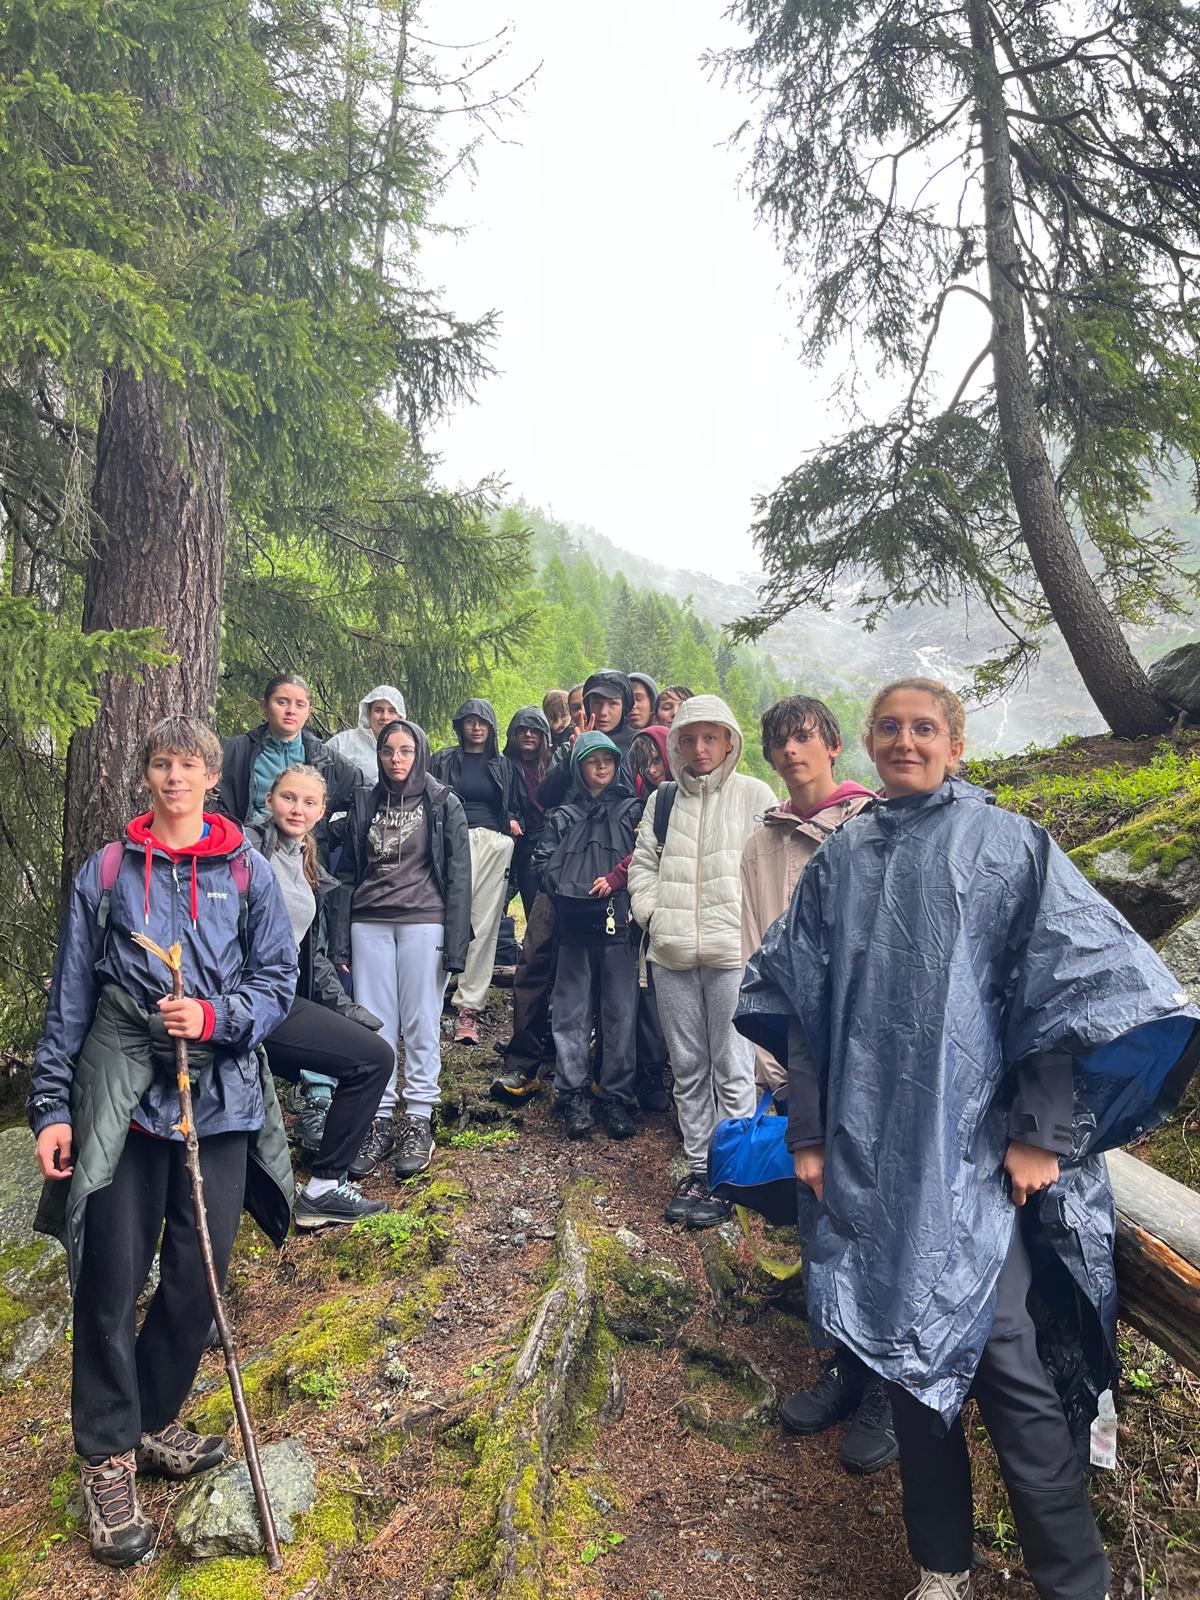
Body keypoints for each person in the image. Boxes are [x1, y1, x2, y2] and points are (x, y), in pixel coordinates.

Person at [737, 677, 1200, 1600]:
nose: (906, 741)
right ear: (868, 742)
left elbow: (1061, 996)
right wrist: (811, 1136)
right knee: (907, 1367)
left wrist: (1040, 1134)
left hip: (978, 1163)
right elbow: (808, 1012)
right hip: (872, 1160)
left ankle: (1075, 1580)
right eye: (892, 728)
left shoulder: (1008, 846)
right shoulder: (842, 859)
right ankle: (942, 1565)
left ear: (953, 743)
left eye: (925, 728)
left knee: (1010, 1368)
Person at [28, 716, 297, 1568]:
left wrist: (216, 1018)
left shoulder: (247, 871)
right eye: (160, 763)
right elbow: (71, 994)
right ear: (146, 775)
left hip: (216, 1100)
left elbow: (277, 980)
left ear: (214, 777)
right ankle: (106, 1457)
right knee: (108, 1277)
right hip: (122, 1099)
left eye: (188, 764)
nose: (174, 777)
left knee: (198, 1276)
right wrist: (51, 1109)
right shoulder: (108, 872)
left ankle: (147, 1415)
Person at [738, 697, 886, 1474]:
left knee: (877, 1221)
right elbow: (752, 943)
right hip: (797, 1062)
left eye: (805, 737)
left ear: (832, 746)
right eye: (779, 740)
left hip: (865, 1060)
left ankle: (887, 1387)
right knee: (819, 1222)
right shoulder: (760, 842)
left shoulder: (867, 825)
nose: (792, 750)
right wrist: (770, 1058)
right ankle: (846, 1363)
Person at [627, 695, 776, 1228]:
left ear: (729, 741)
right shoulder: (664, 801)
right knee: (687, 1067)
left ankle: (730, 1174)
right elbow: (642, 865)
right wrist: (655, 915)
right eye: (689, 739)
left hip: (732, 955)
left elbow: (771, 870)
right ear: (677, 745)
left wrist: (751, 930)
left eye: (711, 737)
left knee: (733, 1067)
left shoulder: (755, 794)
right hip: (670, 954)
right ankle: (698, 1166)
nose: (699, 748)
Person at [244, 767, 392, 1227]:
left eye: (309, 802)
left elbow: (313, 956)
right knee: (372, 1061)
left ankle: (325, 1187)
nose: (297, 809)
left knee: (372, 1057)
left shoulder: (308, 861)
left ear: (321, 811)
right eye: (289, 798)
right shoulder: (245, 849)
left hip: (283, 1000)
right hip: (245, 1003)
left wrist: (347, 1011)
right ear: (270, 800)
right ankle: (322, 1186)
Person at [334, 719, 471, 1177]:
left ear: (420, 752)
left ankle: (418, 1117)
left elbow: (459, 876)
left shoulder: (442, 801)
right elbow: (349, 872)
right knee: (374, 1025)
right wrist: (339, 938)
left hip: (423, 921)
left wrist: (456, 944)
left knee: (420, 1021)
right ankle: (377, 1119)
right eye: (389, 750)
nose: (397, 759)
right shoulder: (364, 801)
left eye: (406, 750)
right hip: (368, 921)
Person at [533, 732, 644, 1140]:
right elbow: (541, 863)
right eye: (592, 760)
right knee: (571, 1011)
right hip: (574, 925)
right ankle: (571, 1093)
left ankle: (616, 1096)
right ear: (578, 766)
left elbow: (648, 857)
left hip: (621, 926)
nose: (601, 767)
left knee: (620, 1011)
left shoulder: (634, 811)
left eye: (608, 760)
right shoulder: (562, 816)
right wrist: (568, 887)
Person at [430, 698, 523, 1045]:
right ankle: (430, 996)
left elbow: (518, 806)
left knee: (484, 922)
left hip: (494, 843)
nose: (476, 727)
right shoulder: (443, 759)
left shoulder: (503, 765)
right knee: (443, 916)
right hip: (452, 840)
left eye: (482, 721)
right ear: (460, 725)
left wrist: (514, 824)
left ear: (491, 727)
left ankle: (468, 1009)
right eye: (469, 721)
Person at [603, 725, 673, 1113]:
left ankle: (656, 1071)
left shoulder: (676, 798)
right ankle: (646, 1072)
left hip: (670, 906)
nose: (652, 769)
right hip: (645, 906)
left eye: (656, 759)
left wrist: (616, 875)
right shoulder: (646, 799)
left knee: (657, 995)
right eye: (644, 762)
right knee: (643, 990)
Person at [215, 673, 361, 843]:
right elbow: (204, 794)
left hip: (305, 855)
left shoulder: (326, 760)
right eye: (282, 702)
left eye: (300, 705)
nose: (291, 711)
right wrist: (229, 832)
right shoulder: (234, 751)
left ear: (309, 712)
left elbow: (366, 797)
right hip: (245, 849)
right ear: (265, 705)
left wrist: (328, 833)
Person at [503, 706, 554, 918]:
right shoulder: (503, 766)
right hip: (520, 843)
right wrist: (508, 817)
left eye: (534, 730)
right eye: (522, 729)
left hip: (550, 840)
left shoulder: (554, 763)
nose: (528, 734)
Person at [324, 685, 408, 783]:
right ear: (368, 713)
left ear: (400, 716)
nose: (385, 717)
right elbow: (316, 774)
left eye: (391, 711)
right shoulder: (342, 742)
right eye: (379, 710)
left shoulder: (408, 749)